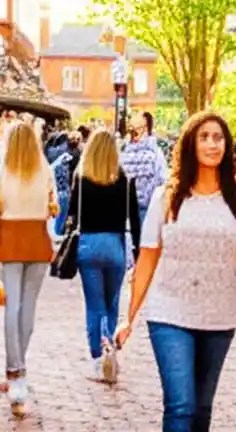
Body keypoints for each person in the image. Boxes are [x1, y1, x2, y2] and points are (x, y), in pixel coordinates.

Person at [115, 111, 236, 432]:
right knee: (181, 406)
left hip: (220, 315)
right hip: (169, 312)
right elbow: (147, 259)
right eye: (204, 137)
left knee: (201, 410)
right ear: (190, 145)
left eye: (219, 138)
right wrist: (129, 316)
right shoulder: (166, 196)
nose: (213, 144)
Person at [0, 122, 56, 414]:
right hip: (38, 239)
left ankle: (15, 372)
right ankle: (20, 369)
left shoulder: (3, 172)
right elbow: (54, 207)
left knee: (12, 307)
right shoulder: (46, 170)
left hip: (11, 239)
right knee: (28, 308)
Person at [69, 129, 141, 382]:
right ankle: (109, 345)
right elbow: (134, 217)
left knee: (94, 305)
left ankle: (99, 357)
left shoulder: (82, 178)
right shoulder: (125, 180)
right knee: (112, 303)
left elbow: (71, 215)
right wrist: (138, 251)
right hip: (115, 244)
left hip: (89, 243)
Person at [50, 131, 83, 236]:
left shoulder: (56, 151)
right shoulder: (74, 153)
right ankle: (59, 233)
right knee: (63, 213)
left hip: (60, 185)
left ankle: (58, 232)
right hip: (66, 186)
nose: (76, 141)